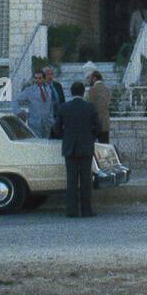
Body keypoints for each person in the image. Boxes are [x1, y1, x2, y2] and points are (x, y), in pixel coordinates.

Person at [53, 80, 101, 217]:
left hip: (70, 148)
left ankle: (72, 210)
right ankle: (86, 210)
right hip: (86, 147)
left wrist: (66, 137)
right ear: (83, 92)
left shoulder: (64, 107)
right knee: (86, 181)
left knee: (71, 181)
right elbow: (98, 127)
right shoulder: (90, 107)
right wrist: (90, 138)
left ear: (71, 92)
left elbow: (57, 129)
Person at [15, 70, 56, 138]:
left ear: (44, 79)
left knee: (46, 144)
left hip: (48, 123)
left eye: (40, 78)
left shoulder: (49, 89)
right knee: (38, 143)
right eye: (36, 78)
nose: (37, 80)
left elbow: (51, 105)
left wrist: (51, 118)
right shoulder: (29, 90)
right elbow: (15, 100)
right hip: (35, 123)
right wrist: (18, 111)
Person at [86, 70, 112, 143]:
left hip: (94, 124)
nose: (88, 80)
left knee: (91, 148)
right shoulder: (107, 89)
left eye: (89, 78)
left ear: (94, 78)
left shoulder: (92, 90)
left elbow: (89, 106)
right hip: (105, 124)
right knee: (104, 148)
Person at [42, 66, 65, 137]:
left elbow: (63, 101)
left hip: (58, 118)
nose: (50, 76)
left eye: (51, 74)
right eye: (48, 74)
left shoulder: (57, 86)